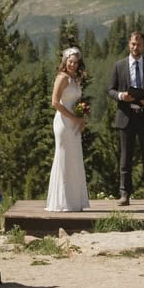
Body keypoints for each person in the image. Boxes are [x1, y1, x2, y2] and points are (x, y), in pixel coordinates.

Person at [109, 31, 144, 204]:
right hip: (126, 116)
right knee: (125, 158)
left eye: (138, 44)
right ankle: (124, 193)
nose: (135, 47)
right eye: (132, 44)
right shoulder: (119, 65)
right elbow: (110, 89)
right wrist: (121, 96)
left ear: (143, 45)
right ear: (128, 45)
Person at [46, 46, 90, 212]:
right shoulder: (62, 77)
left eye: (76, 62)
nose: (73, 65)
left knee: (74, 159)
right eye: (70, 62)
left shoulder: (75, 79)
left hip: (74, 122)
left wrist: (81, 116)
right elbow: (55, 102)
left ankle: (74, 201)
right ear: (65, 62)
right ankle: (62, 202)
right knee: (64, 159)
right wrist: (74, 118)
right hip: (64, 123)